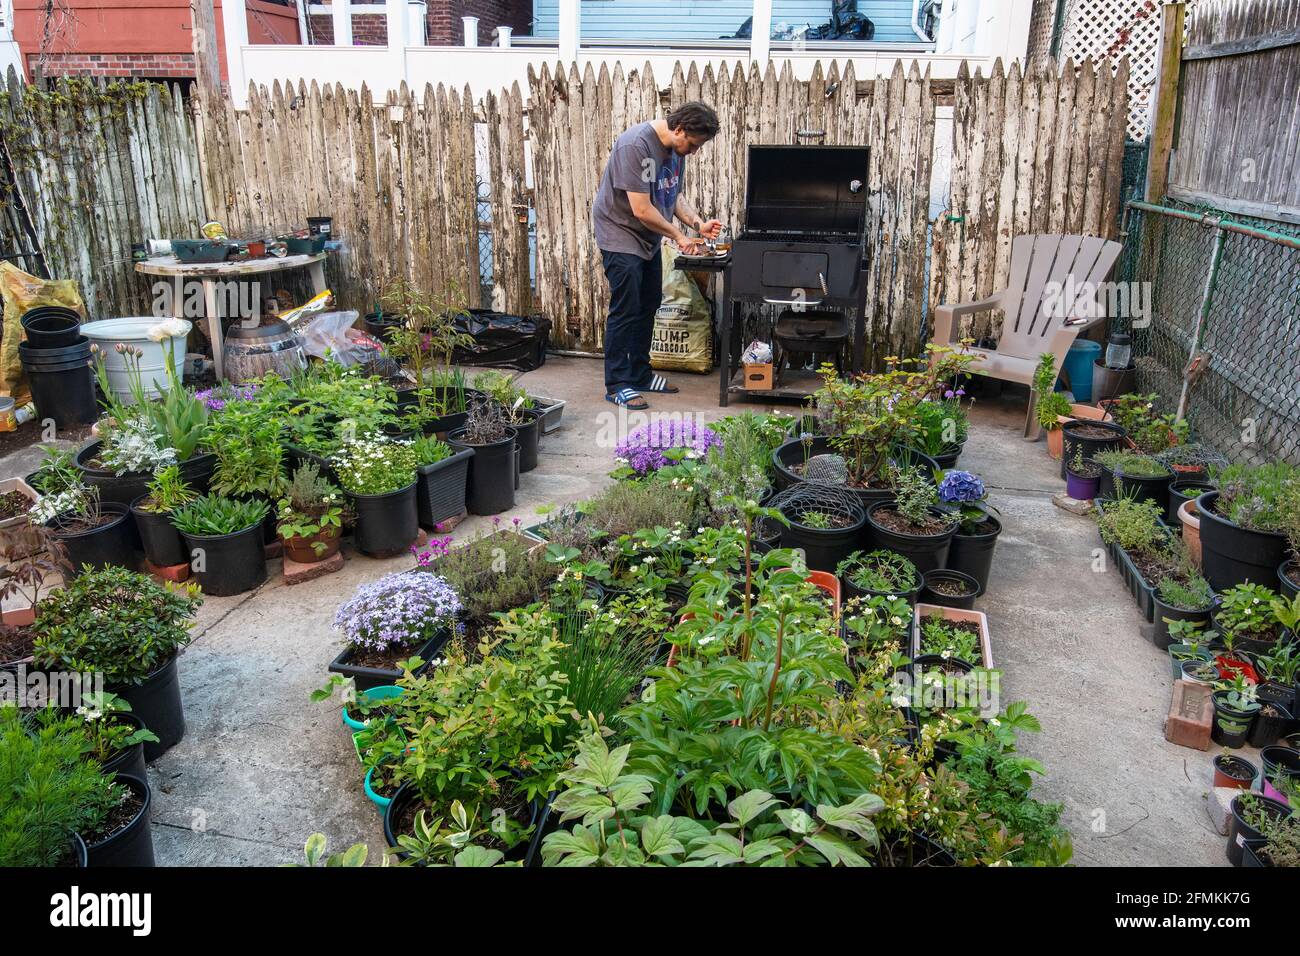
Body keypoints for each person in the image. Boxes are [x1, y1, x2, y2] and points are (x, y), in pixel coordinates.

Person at [593, 101, 722, 409]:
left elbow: (673, 194)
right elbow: (641, 209)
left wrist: (697, 224)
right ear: (679, 129)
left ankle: (639, 373)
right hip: (620, 233)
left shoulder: (675, 152)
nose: (693, 151)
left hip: (647, 237)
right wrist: (678, 236)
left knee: (649, 302)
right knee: (626, 308)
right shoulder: (635, 145)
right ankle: (617, 383)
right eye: (692, 144)